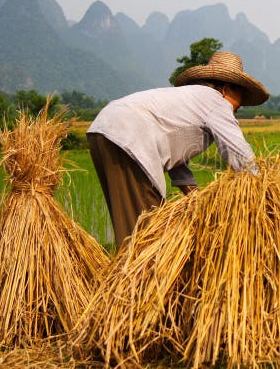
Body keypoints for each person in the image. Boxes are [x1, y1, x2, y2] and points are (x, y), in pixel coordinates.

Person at [86, 51, 269, 248]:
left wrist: (196, 200)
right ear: (225, 89)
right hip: (131, 137)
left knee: (129, 228)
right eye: (238, 102)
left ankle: (129, 274)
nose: (236, 110)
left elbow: (176, 162)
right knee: (148, 238)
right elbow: (239, 153)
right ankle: (139, 277)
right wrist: (264, 193)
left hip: (103, 129)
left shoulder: (191, 99)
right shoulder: (216, 101)